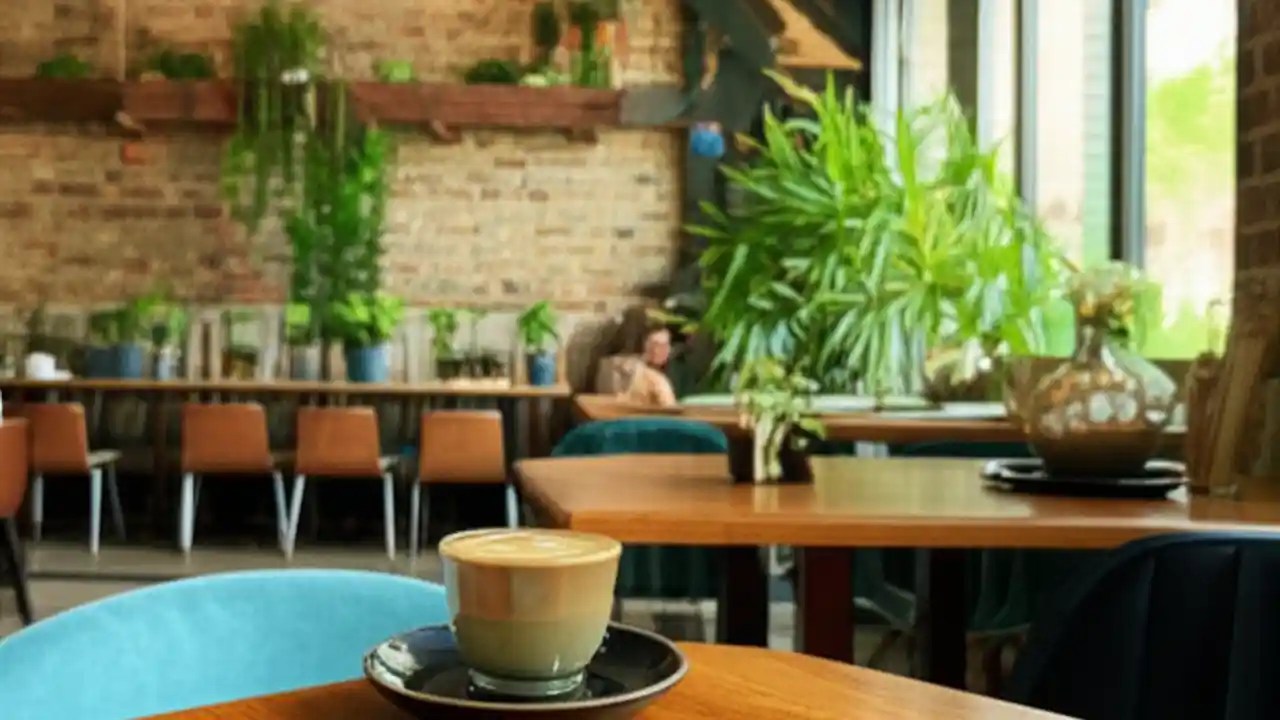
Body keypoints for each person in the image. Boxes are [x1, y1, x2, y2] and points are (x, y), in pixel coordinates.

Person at [621, 324, 677, 407]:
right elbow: (670, 409)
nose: (658, 350)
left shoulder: (635, 368)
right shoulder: (656, 380)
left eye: (664, 345)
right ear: (646, 346)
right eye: (655, 344)